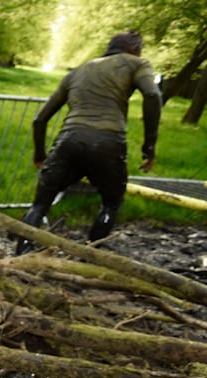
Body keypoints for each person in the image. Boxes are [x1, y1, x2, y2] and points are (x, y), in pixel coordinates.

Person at [17, 30, 161, 255]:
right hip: (108, 142)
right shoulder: (137, 63)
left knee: (40, 204)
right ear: (134, 48)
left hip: (69, 141)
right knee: (111, 203)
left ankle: (20, 254)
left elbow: (40, 119)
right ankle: (90, 256)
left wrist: (39, 155)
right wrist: (149, 147)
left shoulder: (78, 70)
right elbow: (152, 95)